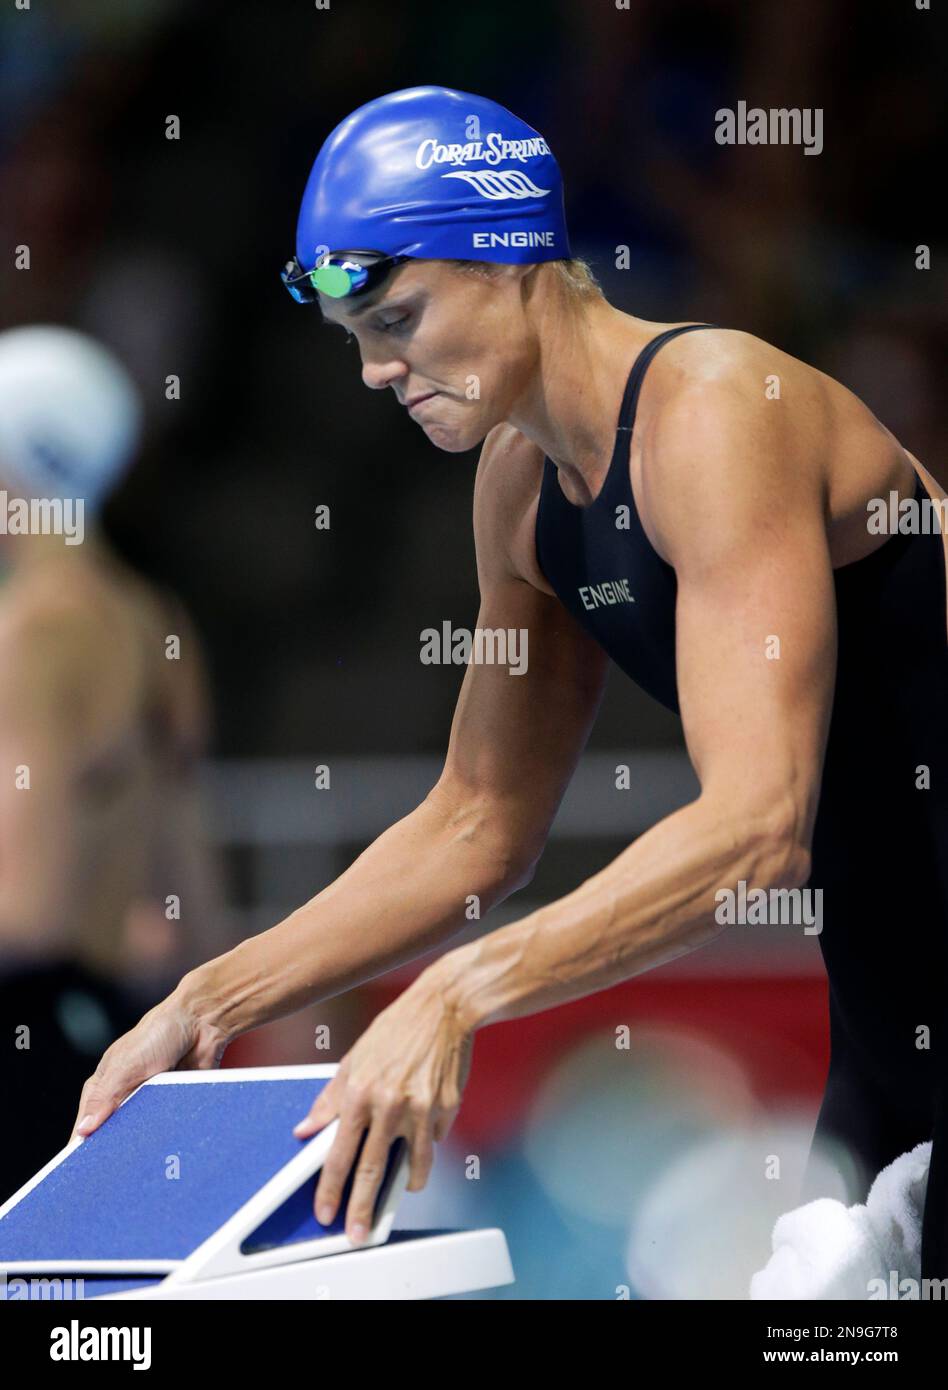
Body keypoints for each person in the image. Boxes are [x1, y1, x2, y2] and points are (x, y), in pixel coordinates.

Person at [72, 87, 948, 1283]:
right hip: (896, 1012)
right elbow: (477, 823)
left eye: (399, 317)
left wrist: (454, 992)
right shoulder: (520, 491)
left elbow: (757, 833)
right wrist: (203, 1003)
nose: (377, 369)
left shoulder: (722, 408)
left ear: (511, 255)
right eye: (355, 338)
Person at [0, 324, 223, 1201]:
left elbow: (25, 909)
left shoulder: (35, 629)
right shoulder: (152, 619)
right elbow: (191, 898)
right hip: (101, 1035)